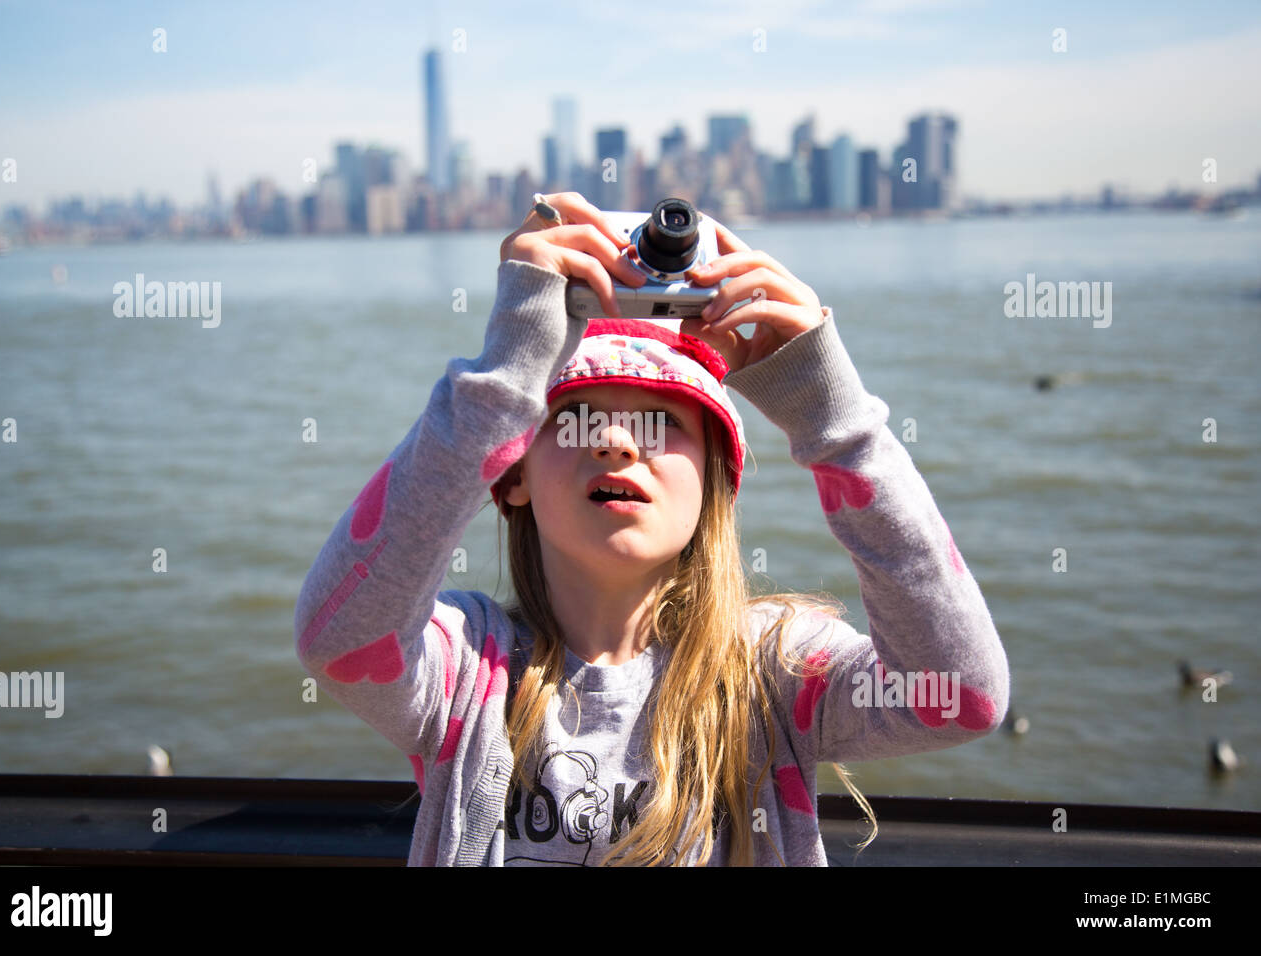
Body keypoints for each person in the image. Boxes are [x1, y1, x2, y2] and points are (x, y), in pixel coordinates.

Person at [294, 192, 1010, 866]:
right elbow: (341, 636)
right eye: (574, 417)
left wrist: (838, 423)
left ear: (715, 482)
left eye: (659, 421)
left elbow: (960, 695)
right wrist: (507, 375)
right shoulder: (466, 674)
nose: (616, 442)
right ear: (511, 473)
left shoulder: (772, 676)